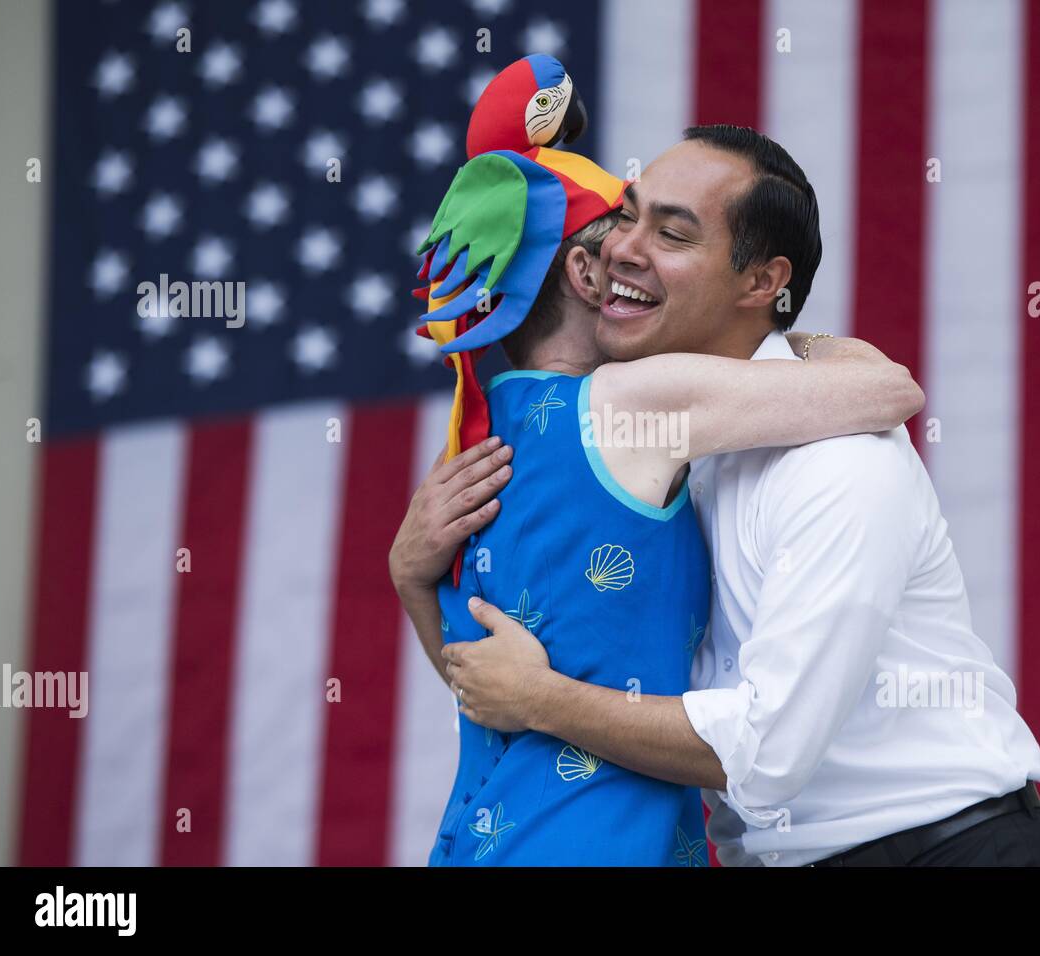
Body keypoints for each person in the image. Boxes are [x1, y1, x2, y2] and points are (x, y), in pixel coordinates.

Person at [429, 124, 1040, 867]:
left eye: (671, 233)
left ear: (763, 283)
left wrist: (543, 700)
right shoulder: (641, 452)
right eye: (627, 215)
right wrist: (415, 569)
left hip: (942, 850)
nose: (621, 249)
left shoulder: (839, 460)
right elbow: (494, 681)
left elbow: (768, 752)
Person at [391, 59, 924, 866]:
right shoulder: (635, 401)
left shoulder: (489, 435)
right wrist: (798, 337)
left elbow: (485, 686)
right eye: (624, 230)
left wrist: (408, 578)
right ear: (583, 271)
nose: (635, 254)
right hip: (600, 843)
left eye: (668, 234)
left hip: (485, 835)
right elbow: (886, 391)